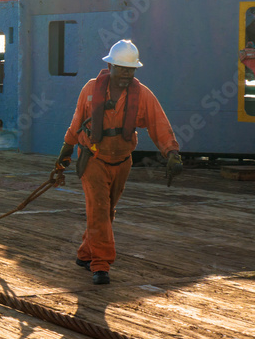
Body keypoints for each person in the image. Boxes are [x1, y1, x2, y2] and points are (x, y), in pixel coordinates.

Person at [55, 39, 182, 285]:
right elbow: (77, 120)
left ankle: (85, 253)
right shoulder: (90, 90)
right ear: (110, 66)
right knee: (100, 210)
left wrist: (172, 153)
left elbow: (159, 125)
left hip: (122, 161)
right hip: (93, 158)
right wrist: (65, 150)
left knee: (105, 211)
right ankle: (101, 264)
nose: (126, 73)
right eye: (122, 68)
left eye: (131, 69)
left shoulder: (142, 94)